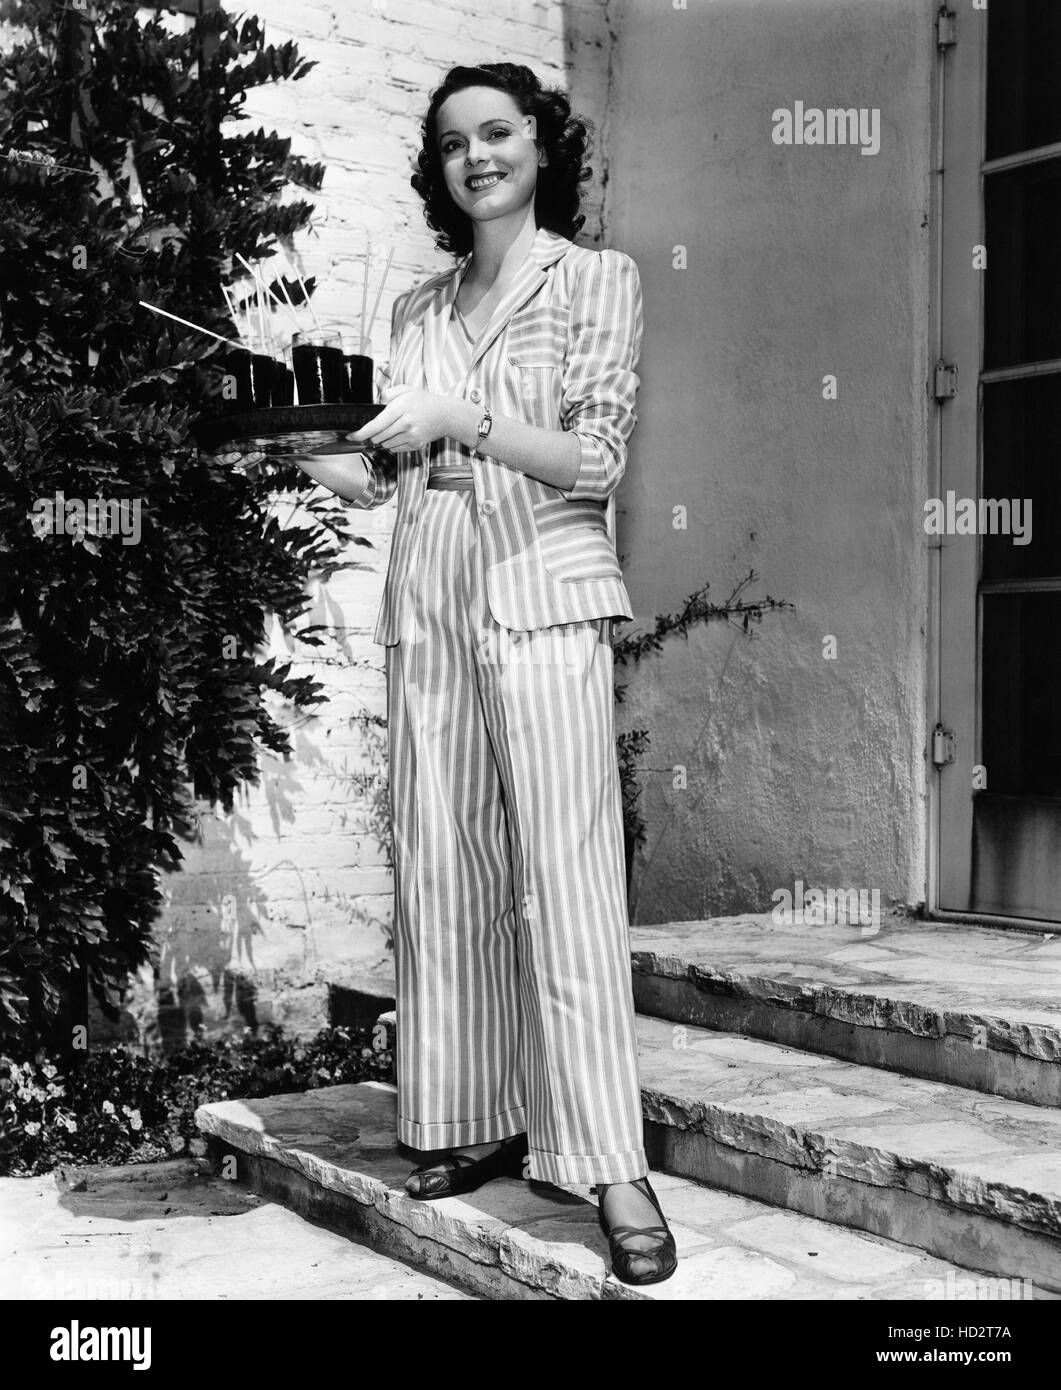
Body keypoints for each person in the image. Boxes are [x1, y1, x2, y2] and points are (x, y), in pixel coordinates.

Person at [295, 61, 676, 1287]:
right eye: (454, 140)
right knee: (447, 867)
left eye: (498, 131)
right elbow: (385, 479)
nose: (477, 156)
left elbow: (595, 460)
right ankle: (471, 1119)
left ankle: (611, 1164)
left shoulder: (597, 280)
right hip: (434, 594)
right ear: (438, 167)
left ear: (538, 145)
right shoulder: (413, 308)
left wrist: (457, 417)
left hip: (545, 595)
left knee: (563, 881)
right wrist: (304, 446)